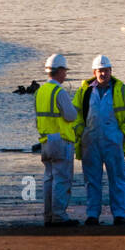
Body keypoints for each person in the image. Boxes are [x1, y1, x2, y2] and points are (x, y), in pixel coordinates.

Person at [73, 55, 125, 226]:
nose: (103, 73)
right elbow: (74, 114)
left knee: (117, 178)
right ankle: (92, 215)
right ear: (94, 72)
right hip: (90, 141)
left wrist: (124, 131)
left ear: (111, 71)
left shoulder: (122, 90)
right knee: (91, 180)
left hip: (113, 141)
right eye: (100, 70)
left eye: (106, 70)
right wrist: (81, 132)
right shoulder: (84, 91)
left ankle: (119, 215)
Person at [35, 54, 80, 226]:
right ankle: (59, 216)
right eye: (65, 71)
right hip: (61, 141)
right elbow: (71, 116)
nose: (66, 75)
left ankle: (48, 216)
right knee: (62, 179)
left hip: (45, 140)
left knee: (48, 178)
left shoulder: (40, 91)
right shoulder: (59, 91)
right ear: (59, 71)